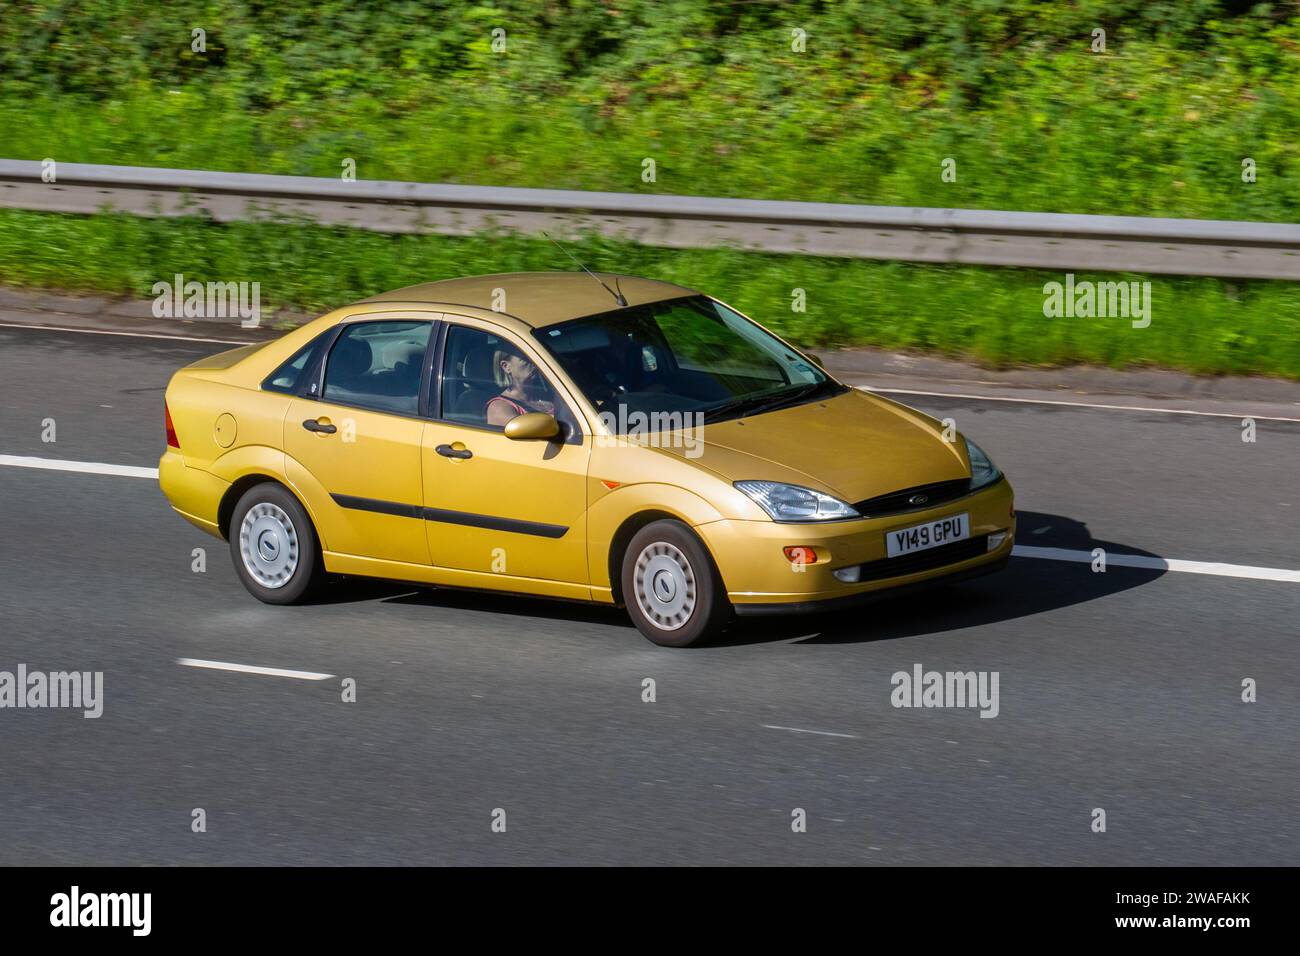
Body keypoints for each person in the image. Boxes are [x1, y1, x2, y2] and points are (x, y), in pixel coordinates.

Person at [485, 347, 556, 426]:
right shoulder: (500, 407)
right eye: (525, 358)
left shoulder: (547, 392)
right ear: (506, 366)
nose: (534, 362)